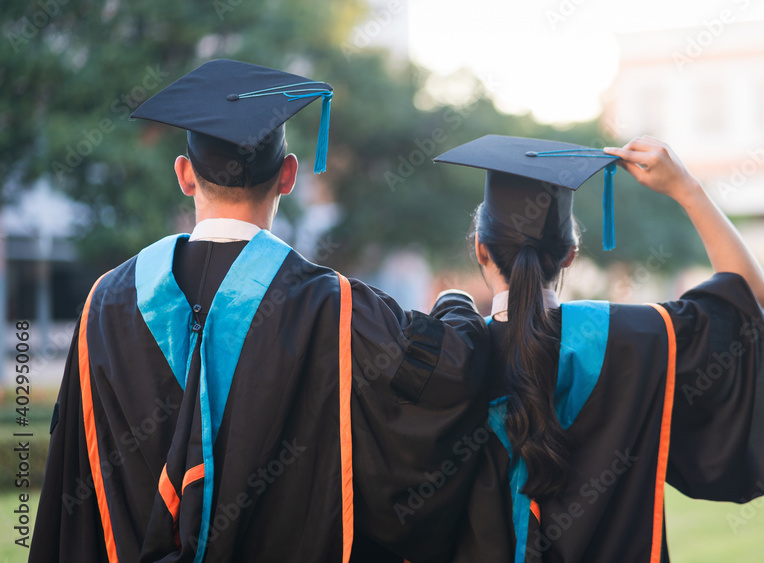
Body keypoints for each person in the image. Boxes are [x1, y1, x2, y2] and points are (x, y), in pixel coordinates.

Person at [29, 60, 489, 563]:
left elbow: (72, 494)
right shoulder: (332, 307)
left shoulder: (105, 304)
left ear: (184, 175)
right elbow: (450, 375)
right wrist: (457, 304)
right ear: (288, 175)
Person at [433, 134, 764, 562]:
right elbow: (747, 294)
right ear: (571, 254)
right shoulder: (641, 336)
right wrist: (685, 188)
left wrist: (448, 305)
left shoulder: (442, 358)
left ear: (480, 248)